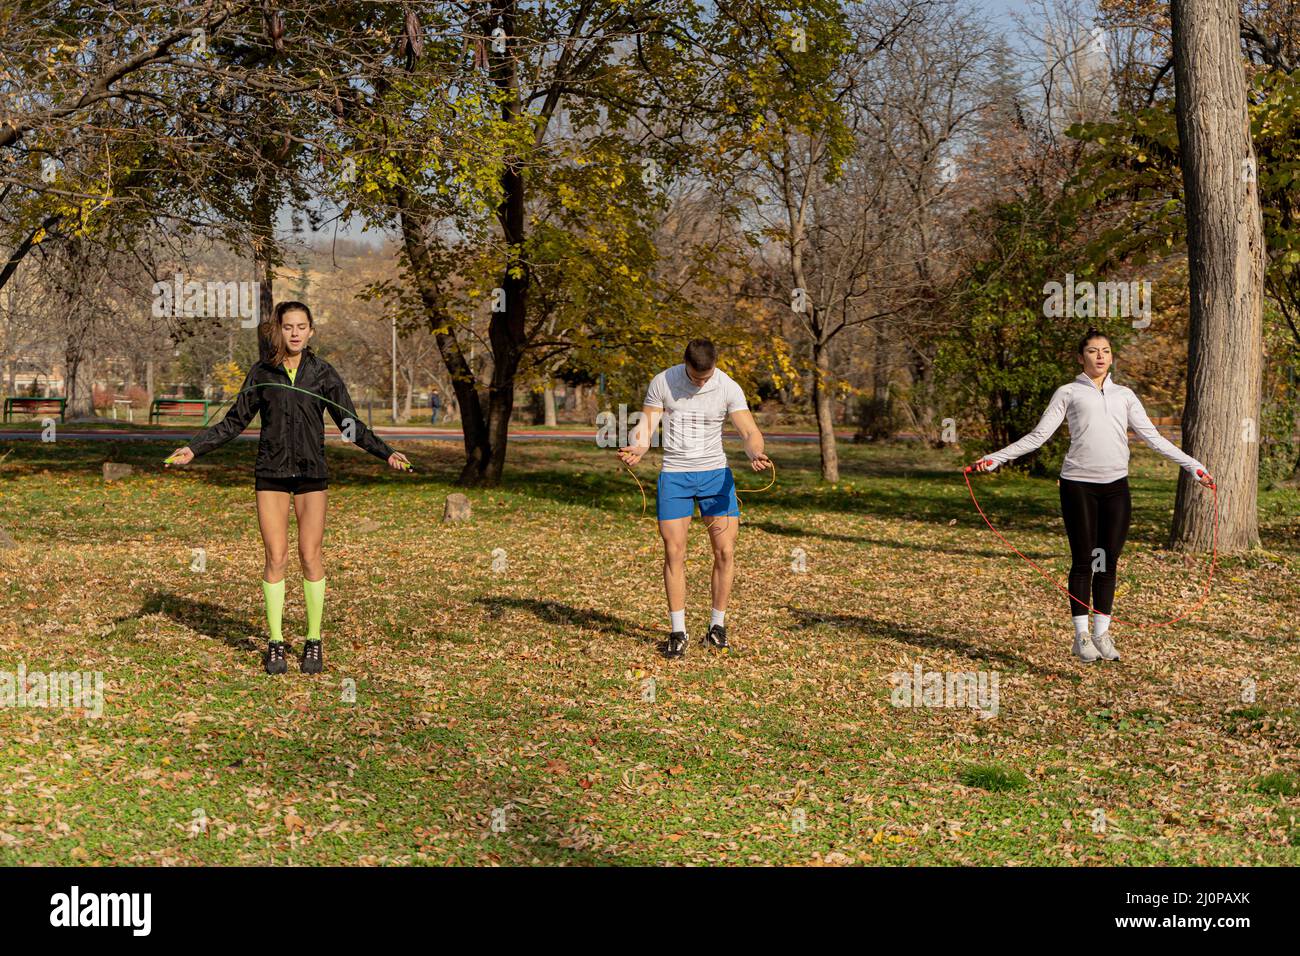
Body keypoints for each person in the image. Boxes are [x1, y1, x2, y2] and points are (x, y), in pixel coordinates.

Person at [165, 301, 410, 674]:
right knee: (275, 556)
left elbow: (350, 424)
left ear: (311, 331)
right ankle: (276, 642)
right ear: (278, 330)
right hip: (272, 473)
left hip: (313, 473)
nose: (294, 333)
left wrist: (386, 453)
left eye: (301, 326)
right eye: (288, 326)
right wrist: (194, 448)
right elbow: (233, 422)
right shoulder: (262, 373)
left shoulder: (323, 374)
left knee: (310, 555)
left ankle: (314, 640)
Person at [970, 328, 1214, 662]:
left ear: (1112, 357)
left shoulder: (1124, 396)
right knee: (1084, 560)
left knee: (1107, 561)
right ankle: (1081, 637)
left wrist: (1194, 467)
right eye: (1093, 351)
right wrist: (994, 459)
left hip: (1116, 487)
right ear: (1080, 357)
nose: (1100, 356)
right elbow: (1039, 436)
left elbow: (1154, 439)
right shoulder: (1068, 393)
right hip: (1078, 485)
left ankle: (1102, 635)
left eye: (1106, 350)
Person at [619, 339, 771, 658]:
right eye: (695, 376)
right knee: (674, 552)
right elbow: (646, 427)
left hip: (716, 475)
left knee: (725, 551)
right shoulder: (664, 381)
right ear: (685, 363)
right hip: (675, 476)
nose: (701, 382)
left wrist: (756, 452)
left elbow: (748, 431)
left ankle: (717, 627)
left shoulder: (727, 385)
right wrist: (638, 447)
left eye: (707, 376)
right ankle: (678, 631)